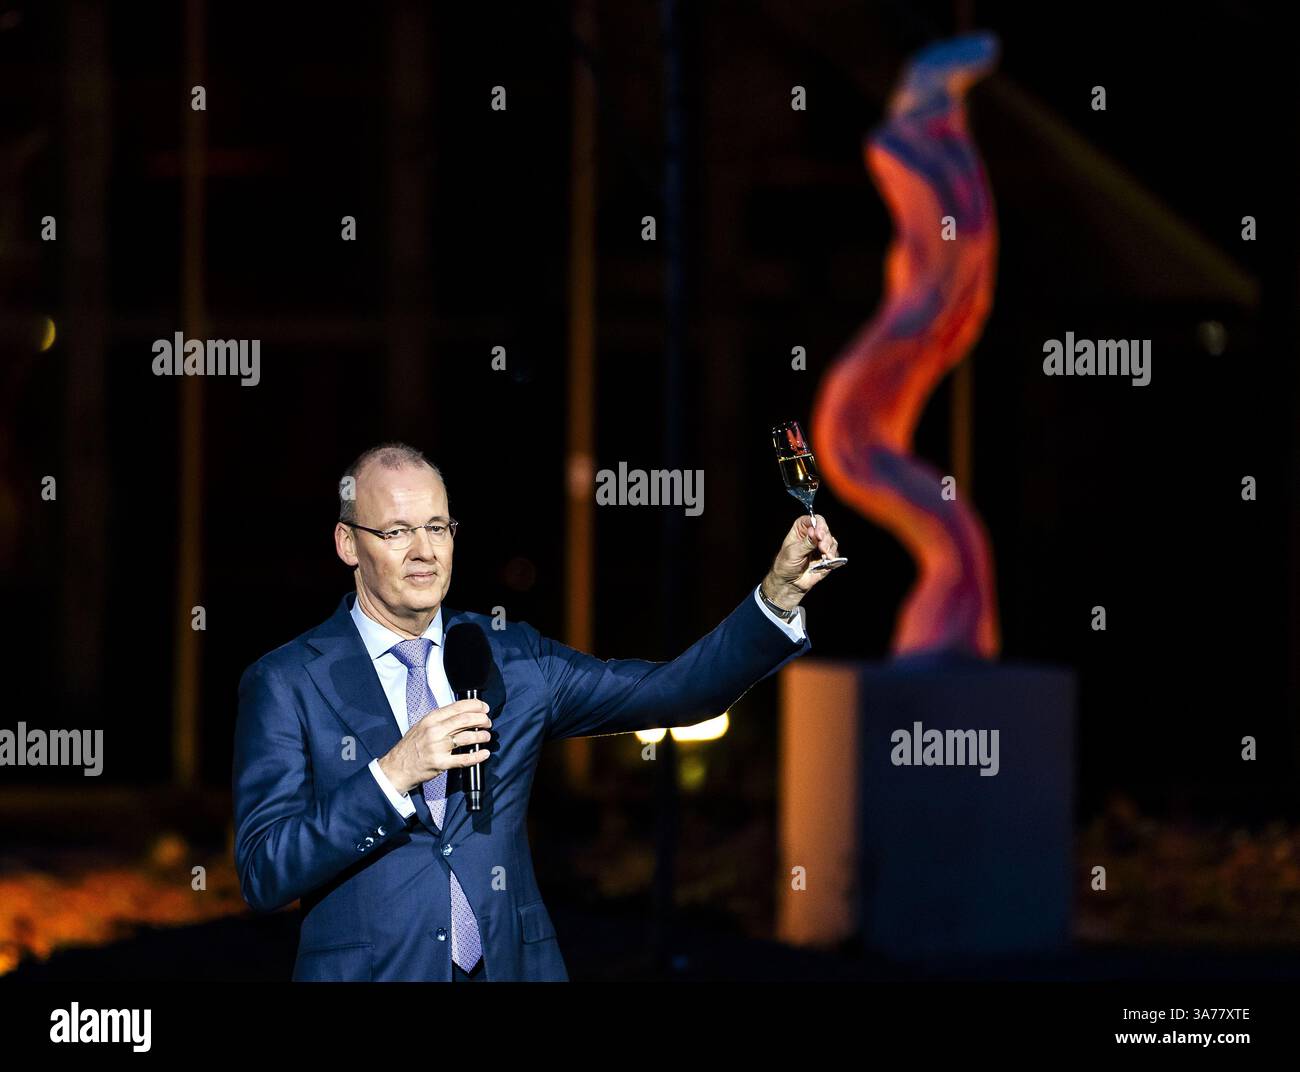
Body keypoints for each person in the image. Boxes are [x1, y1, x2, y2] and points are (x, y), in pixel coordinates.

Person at [232, 441, 840, 981]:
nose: (423, 551)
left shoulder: (509, 657)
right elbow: (265, 873)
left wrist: (778, 596)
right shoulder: (287, 680)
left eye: (438, 527)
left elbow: (677, 693)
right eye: (396, 532)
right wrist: (391, 775)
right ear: (348, 543)